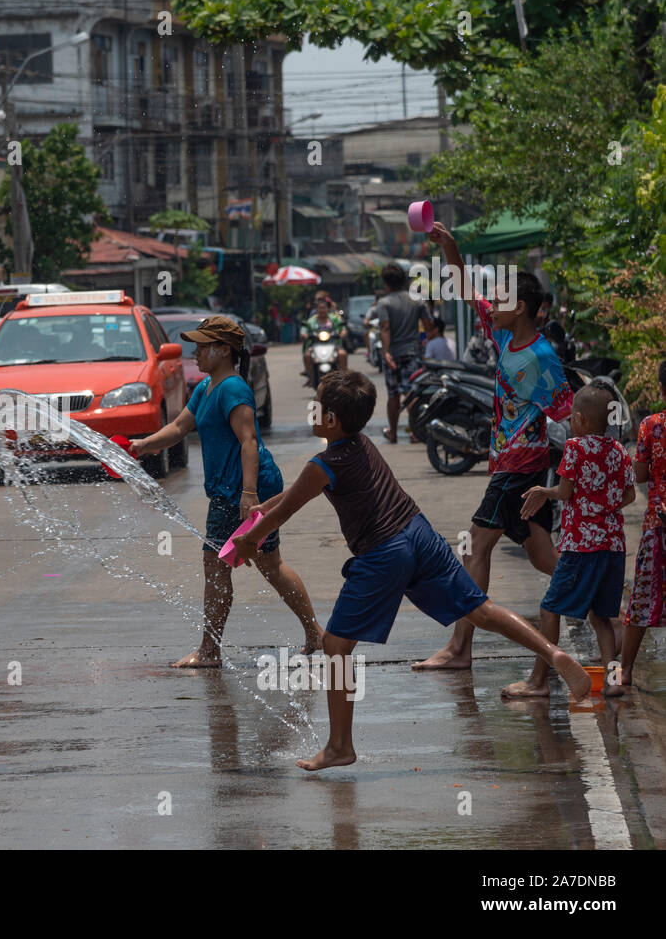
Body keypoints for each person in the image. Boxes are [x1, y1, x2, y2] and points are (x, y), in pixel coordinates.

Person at [230, 371, 591, 771]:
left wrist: (249, 540)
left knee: (335, 646)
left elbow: (288, 508)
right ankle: (552, 652)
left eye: (316, 406)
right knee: (479, 609)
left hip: (384, 552)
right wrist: (266, 508)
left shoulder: (325, 461)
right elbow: (300, 490)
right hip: (418, 533)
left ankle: (339, 747)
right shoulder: (360, 444)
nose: (311, 410)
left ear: (331, 420)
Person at [414, 222, 574, 671]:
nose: (491, 306)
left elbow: (570, 417)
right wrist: (450, 246)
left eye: (500, 300)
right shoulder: (504, 333)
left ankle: (459, 648)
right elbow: (465, 290)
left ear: (520, 307)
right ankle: (605, 609)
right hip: (510, 461)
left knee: (476, 548)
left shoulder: (542, 358)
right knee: (544, 557)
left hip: (520, 466)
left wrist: (569, 481)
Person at [131, 316, 323, 667]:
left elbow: (248, 441)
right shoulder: (206, 388)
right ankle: (314, 635)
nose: (195, 353)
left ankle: (209, 651)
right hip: (233, 488)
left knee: (217, 566)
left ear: (223, 350)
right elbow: (178, 427)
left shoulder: (233, 388)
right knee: (270, 565)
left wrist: (248, 496)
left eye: (202, 346)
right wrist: (142, 446)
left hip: (244, 489)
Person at [503, 384, 635, 697]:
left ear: (580, 419)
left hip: (581, 547)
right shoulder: (617, 450)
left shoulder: (575, 448)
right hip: (613, 546)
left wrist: (542, 491)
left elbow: (565, 492)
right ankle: (612, 680)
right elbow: (629, 494)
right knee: (602, 617)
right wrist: (605, 506)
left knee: (550, 610)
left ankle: (538, 681)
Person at [616, 360, 666, 696]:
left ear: (661, 389)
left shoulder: (651, 426)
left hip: (658, 524)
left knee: (643, 598)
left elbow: (642, 475)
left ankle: (626, 670)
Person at [377, 263, 432, 443]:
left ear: (386, 283)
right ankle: (416, 432)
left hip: (392, 354)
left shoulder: (384, 303)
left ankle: (393, 432)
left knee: (393, 394)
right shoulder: (417, 300)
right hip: (413, 353)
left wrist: (385, 352)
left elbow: (385, 329)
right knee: (411, 394)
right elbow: (429, 325)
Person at [301, 292, 347, 386]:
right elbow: (304, 331)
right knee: (307, 356)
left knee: (342, 354)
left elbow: (343, 329)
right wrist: (305, 335)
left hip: (334, 344)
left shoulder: (335, 318)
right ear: (316, 309)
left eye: (324, 308)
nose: (322, 310)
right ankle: (311, 376)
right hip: (315, 345)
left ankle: (343, 378)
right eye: (320, 308)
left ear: (327, 308)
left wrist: (341, 334)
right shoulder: (311, 321)